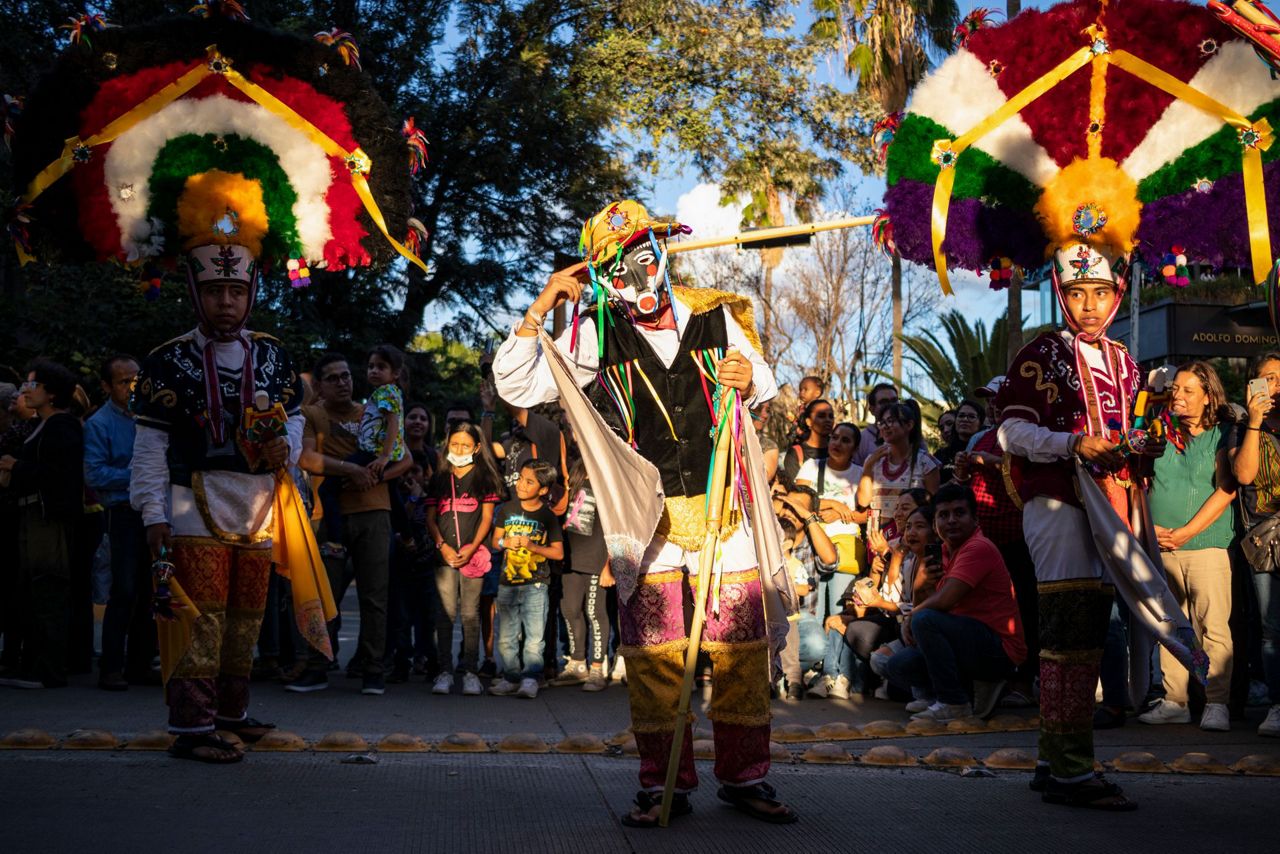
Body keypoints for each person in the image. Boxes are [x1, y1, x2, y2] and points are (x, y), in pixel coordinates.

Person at [494, 200, 794, 826]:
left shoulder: (715, 313)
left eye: (648, 247)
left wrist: (745, 374)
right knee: (656, 658)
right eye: (622, 258)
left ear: (663, 249)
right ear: (603, 271)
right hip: (647, 518)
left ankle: (744, 778)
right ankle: (665, 784)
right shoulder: (591, 330)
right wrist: (544, 304)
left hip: (723, 509)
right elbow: (518, 385)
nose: (642, 265)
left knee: (739, 650)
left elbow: (762, 382)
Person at [128, 235, 304, 761]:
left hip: (257, 505)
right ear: (193, 292)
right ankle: (191, 728)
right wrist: (152, 512)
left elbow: (295, 423)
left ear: (252, 291)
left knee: (245, 617)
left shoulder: (274, 355)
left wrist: (285, 446)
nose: (225, 302)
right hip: (190, 502)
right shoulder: (166, 361)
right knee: (200, 617)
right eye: (212, 291)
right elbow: (150, 445)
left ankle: (230, 712)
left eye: (234, 290)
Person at [995, 237, 1148, 810]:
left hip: (1109, 507)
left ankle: (1050, 758)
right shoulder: (1042, 353)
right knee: (1069, 631)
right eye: (1078, 292)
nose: (1089, 305)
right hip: (1056, 500)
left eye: (1100, 292)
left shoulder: (1126, 362)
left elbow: (1128, 439)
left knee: (1081, 629)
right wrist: (1072, 442)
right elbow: (1012, 432)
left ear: (1118, 294)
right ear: (1060, 293)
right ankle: (1072, 772)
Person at [288, 353, 410, 696]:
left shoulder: (371, 408)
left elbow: (406, 458)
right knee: (325, 596)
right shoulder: (312, 414)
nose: (343, 382)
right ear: (320, 386)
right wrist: (350, 469)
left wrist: (372, 475)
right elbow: (307, 458)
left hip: (375, 513)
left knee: (375, 597)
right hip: (329, 518)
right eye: (334, 378)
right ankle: (317, 667)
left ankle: (373, 671)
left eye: (346, 375)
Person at [1138, 362, 1237, 731]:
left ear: (1208, 395)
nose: (1177, 396)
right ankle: (1175, 700)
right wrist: (1153, 528)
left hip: (1207, 546)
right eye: (1175, 388)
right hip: (1161, 547)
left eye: (1187, 390)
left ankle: (1216, 703)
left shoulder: (1223, 433)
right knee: (1169, 627)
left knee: (1212, 628)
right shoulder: (1159, 432)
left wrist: (1185, 533)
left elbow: (1227, 489)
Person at [886, 484, 1026, 722]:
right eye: (943, 515)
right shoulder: (943, 552)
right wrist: (923, 583)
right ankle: (965, 692)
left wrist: (910, 617)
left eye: (959, 513)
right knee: (900, 664)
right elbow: (928, 603)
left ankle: (954, 702)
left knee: (924, 620)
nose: (951, 520)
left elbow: (944, 601)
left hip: (998, 649)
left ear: (975, 518)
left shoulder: (978, 547)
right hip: (967, 641)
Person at [0, 359, 84, 689]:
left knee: (48, 588)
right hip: (33, 514)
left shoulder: (61, 426)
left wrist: (16, 466)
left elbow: (60, 477)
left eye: (32, 385)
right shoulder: (43, 424)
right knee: (34, 589)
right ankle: (36, 664)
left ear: (50, 392)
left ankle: (48, 669)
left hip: (48, 519)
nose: (26, 391)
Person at [954, 377, 1037, 707]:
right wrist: (962, 470)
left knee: (1025, 611)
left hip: (1019, 540)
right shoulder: (980, 436)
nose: (992, 405)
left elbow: (1031, 475)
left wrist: (996, 464)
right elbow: (963, 483)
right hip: (984, 542)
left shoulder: (1025, 435)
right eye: (989, 399)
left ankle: (1023, 680)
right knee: (982, 611)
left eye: (998, 399)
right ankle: (989, 680)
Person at [85, 354, 158, 691]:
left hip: (153, 513)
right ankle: (111, 667)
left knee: (150, 590)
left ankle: (140, 665)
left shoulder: (151, 415)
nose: (131, 386)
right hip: (122, 513)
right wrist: (138, 476)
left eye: (135, 379)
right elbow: (94, 473)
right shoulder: (99, 423)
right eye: (122, 381)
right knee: (124, 589)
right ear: (106, 386)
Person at [425, 421, 502, 696]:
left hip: (474, 556)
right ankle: (443, 671)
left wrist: (472, 548)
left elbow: (487, 518)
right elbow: (431, 519)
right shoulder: (439, 478)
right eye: (455, 444)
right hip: (443, 557)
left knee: (471, 614)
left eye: (465, 445)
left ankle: (470, 671)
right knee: (445, 615)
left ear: (477, 448)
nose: (459, 449)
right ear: (448, 445)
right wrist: (442, 546)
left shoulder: (485, 478)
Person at [1231, 351, 1280, 737]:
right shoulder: (1244, 426)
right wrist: (1256, 422)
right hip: (1265, 538)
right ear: (1253, 385)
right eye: (1269, 379)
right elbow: (1244, 474)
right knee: (1270, 628)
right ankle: (1277, 705)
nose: (1276, 387)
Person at [317, 345, 407, 552]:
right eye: (371, 366)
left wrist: (384, 456)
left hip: (372, 453)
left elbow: (394, 423)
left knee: (327, 489)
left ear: (395, 373)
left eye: (381, 367)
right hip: (379, 453)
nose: (374, 371)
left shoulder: (385, 392)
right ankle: (407, 535)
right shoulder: (386, 393)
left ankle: (336, 541)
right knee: (394, 494)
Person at [489, 460, 564, 698]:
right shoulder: (507, 510)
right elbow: (495, 541)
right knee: (506, 636)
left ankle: (531, 678)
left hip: (536, 584)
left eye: (529, 482)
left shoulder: (547, 516)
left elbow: (558, 552)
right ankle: (511, 677)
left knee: (534, 637)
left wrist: (533, 546)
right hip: (507, 582)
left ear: (543, 490)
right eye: (521, 478)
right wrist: (504, 543)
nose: (521, 484)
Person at [773, 487, 838, 701]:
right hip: (771, 616)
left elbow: (830, 560)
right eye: (789, 505)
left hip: (801, 617)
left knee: (816, 646)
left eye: (798, 509)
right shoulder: (770, 536)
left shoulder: (812, 540)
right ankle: (785, 673)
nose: (791, 512)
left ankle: (784, 671)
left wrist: (808, 518)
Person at [554, 457, 613, 690]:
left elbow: (614, 526)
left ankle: (597, 667)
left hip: (598, 560)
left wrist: (608, 564)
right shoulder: (574, 473)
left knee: (595, 612)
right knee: (569, 609)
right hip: (571, 558)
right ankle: (578, 662)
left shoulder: (607, 478)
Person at [856, 401, 940, 535]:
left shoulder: (926, 463)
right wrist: (868, 467)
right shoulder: (873, 461)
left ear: (909, 425)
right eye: (882, 422)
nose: (885, 427)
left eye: (890, 421)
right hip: (876, 538)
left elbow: (934, 506)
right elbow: (863, 501)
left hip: (911, 538)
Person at [782, 398, 833, 483]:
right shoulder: (795, 454)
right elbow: (797, 491)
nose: (828, 420)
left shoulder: (839, 451)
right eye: (821, 416)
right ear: (808, 422)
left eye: (831, 416)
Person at [936, 399, 984, 483]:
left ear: (980, 423)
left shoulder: (986, 448)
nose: (965, 419)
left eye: (971, 416)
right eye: (961, 416)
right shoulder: (941, 454)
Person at [853, 382, 899, 466]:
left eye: (894, 401)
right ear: (872, 409)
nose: (891, 406)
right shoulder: (861, 440)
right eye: (884, 402)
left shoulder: (911, 434)